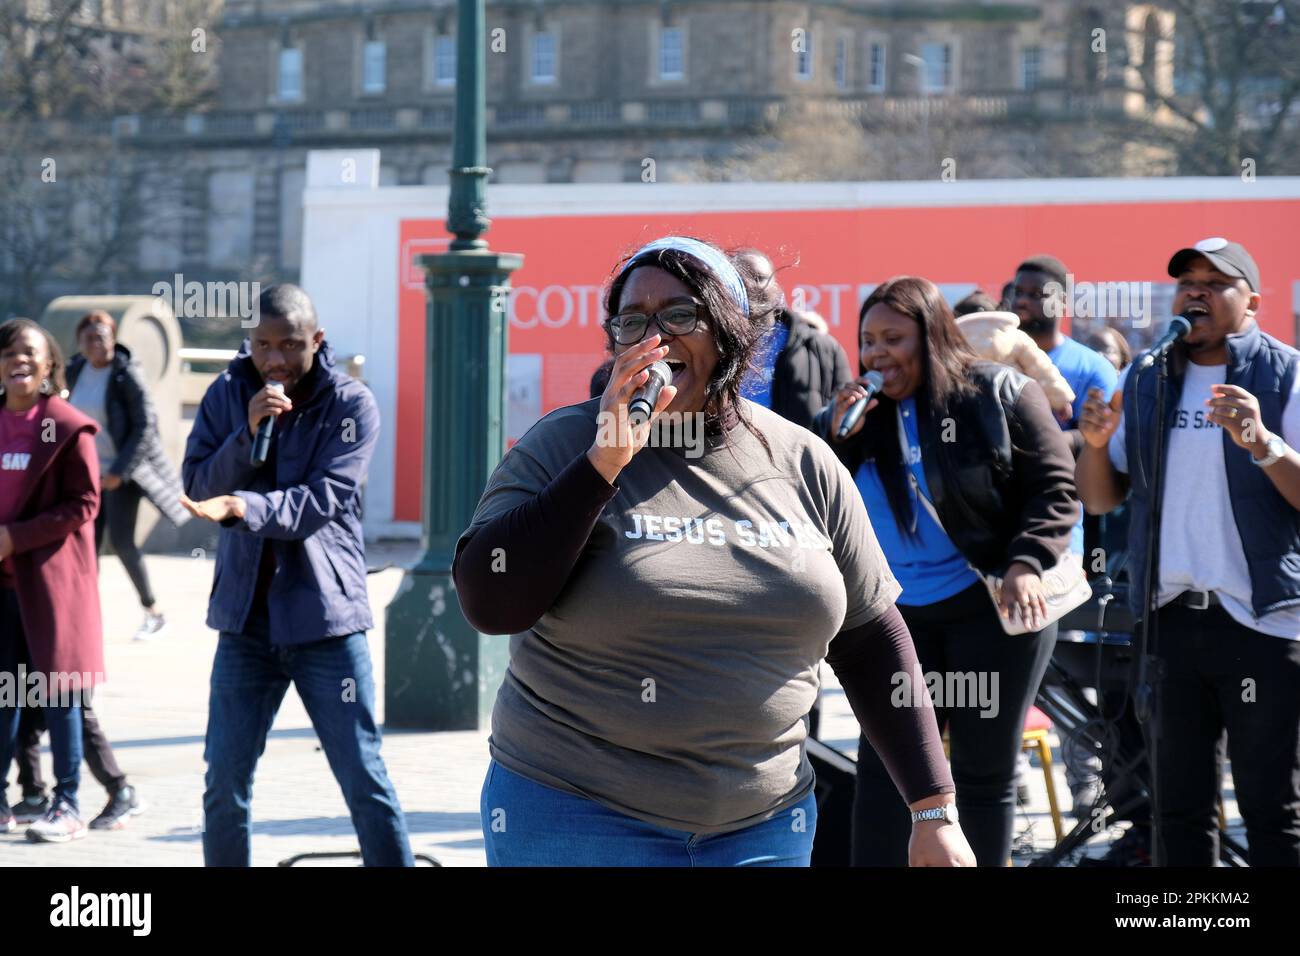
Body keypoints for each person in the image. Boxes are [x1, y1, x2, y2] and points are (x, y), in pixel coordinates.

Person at [455, 236, 975, 867]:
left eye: (680, 316)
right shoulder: (563, 442)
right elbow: (491, 601)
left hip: (762, 829)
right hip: (578, 814)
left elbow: (870, 641)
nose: (656, 338)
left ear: (730, 334)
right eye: (632, 322)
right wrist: (604, 463)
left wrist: (933, 810)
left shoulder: (802, 460)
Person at [814, 277, 1079, 866]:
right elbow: (812, 497)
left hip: (989, 608)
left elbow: (1057, 491)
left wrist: (1026, 563)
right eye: (868, 340)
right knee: (887, 769)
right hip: (898, 619)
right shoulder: (858, 418)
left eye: (893, 339)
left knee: (983, 776)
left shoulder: (997, 393)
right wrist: (834, 435)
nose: (878, 354)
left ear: (932, 336)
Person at [1076, 237, 1300, 866]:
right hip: (1170, 621)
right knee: (1177, 811)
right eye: (1186, 282)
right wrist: (1094, 446)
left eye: (1216, 282)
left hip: (1263, 622)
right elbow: (1099, 502)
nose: (1195, 291)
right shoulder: (1144, 377)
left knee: (1270, 808)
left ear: (1252, 302)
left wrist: (1263, 443)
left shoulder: (1286, 373)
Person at [180, 284, 413, 867]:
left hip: (324, 621)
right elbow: (197, 487)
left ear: (317, 340)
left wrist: (247, 507)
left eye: (289, 344)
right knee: (223, 785)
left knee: (363, 777)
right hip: (245, 624)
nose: (275, 359)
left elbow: (324, 499)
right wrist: (245, 433)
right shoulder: (229, 394)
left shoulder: (351, 404)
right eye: (262, 345)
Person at [0, 319, 103, 842]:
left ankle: (68, 803)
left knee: (60, 693)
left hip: (50, 584)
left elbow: (85, 503)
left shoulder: (64, 425)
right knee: (5, 693)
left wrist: (17, 537)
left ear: (48, 365)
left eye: (29, 353)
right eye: (7, 352)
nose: (17, 360)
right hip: (4, 588)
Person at [66, 310, 190, 640]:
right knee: (85, 546)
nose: (96, 344)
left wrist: (119, 471)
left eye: (102, 337)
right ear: (80, 342)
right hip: (87, 476)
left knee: (121, 543)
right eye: (89, 338)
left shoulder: (126, 373)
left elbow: (145, 427)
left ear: (114, 338)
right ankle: (82, 615)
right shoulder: (76, 370)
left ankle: (154, 612)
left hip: (122, 475)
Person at [731, 248, 853, 430]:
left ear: (776, 286)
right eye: (741, 280)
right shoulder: (713, 348)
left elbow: (843, 424)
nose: (751, 286)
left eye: (759, 278)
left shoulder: (821, 347)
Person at [954, 309, 1075, 421]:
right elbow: (1041, 368)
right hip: (1015, 404)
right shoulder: (1015, 336)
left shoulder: (954, 343)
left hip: (969, 409)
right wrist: (1061, 400)